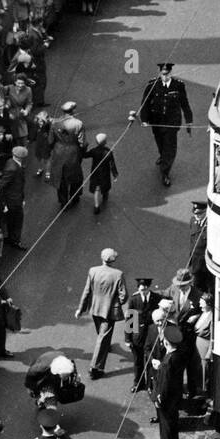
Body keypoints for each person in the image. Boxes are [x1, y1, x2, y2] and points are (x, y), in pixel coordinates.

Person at [135, 62, 193, 186]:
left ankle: (165, 172)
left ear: (170, 73)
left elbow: (185, 104)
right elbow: (145, 103)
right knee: (161, 144)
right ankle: (162, 156)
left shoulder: (178, 85)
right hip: (157, 122)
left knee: (170, 149)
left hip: (172, 124)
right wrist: (144, 119)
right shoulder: (152, 85)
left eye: (167, 74)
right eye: (163, 74)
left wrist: (189, 121)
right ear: (160, 73)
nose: (165, 76)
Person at [75, 247, 129, 379]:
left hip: (95, 308)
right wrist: (116, 302)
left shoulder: (93, 270)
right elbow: (124, 296)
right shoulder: (118, 274)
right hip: (108, 311)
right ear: (113, 260)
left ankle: (105, 345)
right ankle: (95, 368)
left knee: (102, 333)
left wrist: (80, 309)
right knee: (102, 338)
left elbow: (86, 291)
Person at [85, 133, 118, 215]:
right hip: (105, 173)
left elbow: (85, 155)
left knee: (96, 189)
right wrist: (115, 174)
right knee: (105, 185)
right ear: (105, 142)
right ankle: (105, 195)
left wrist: (84, 147)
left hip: (96, 173)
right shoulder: (108, 152)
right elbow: (112, 164)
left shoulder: (94, 151)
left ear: (96, 142)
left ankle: (96, 206)